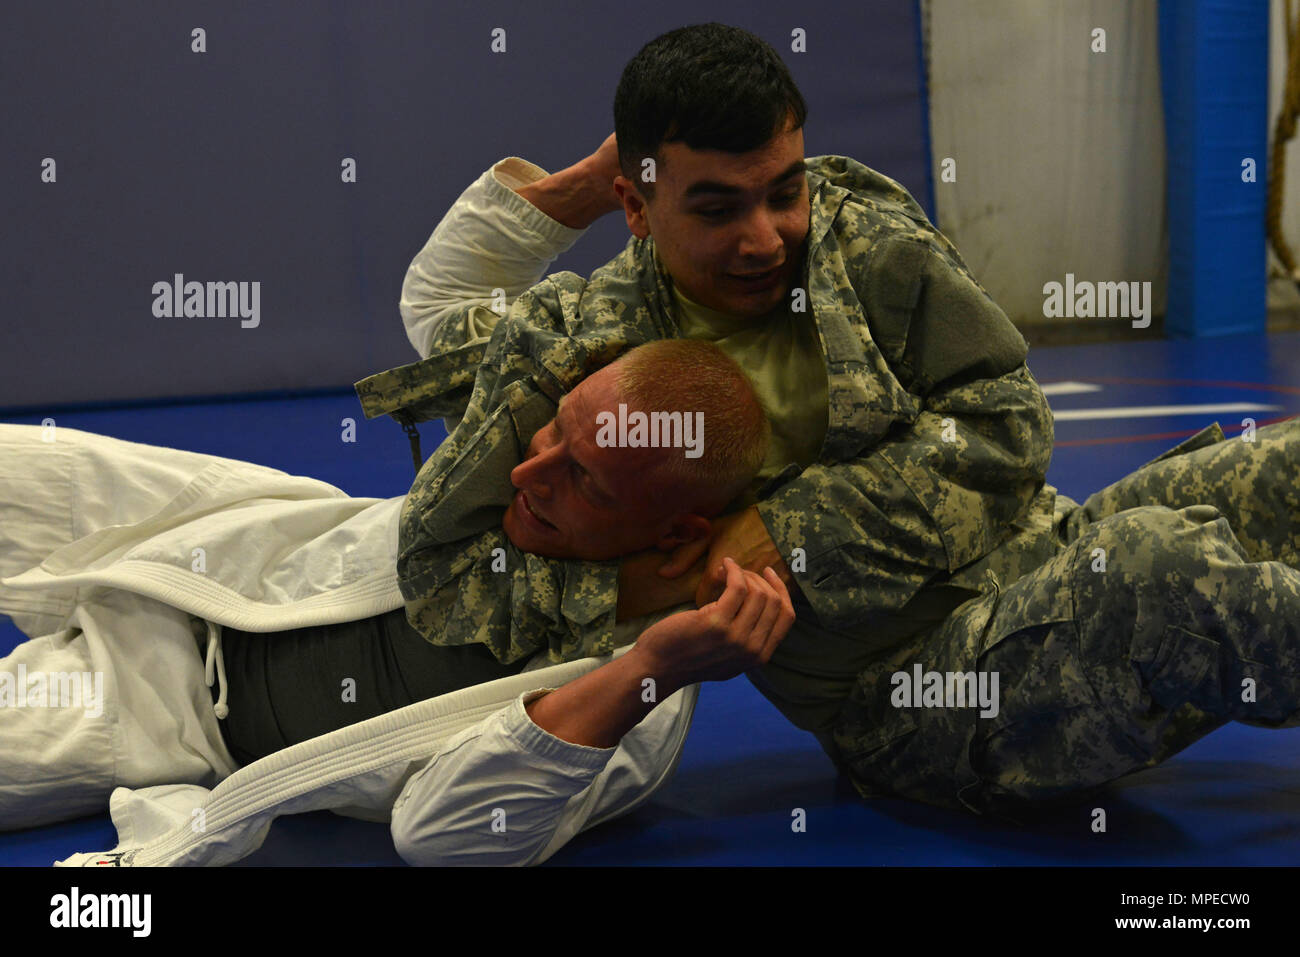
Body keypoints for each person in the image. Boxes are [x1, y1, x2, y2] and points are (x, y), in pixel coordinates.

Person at [369, 20, 1300, 821]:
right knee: (1162, 575)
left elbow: (1007, 422)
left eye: (783, 190)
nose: (766, 236)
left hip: (1051, 549)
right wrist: (658, 590)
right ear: (636, 206)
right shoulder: (578, 345)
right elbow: (442, 574)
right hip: (915, 700)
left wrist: (787, 530)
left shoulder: (860, 238)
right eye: (717, 207)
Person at [0, 339, 793, 866]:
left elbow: (439, 834)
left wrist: (650, 668)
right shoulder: (516, 481)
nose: (527, 474)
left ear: (679, 536)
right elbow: (446, 287)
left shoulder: (636, 712)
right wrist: (587, 183)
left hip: (155, 706)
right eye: (551, 433)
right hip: (202, 530)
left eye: (580, 477)